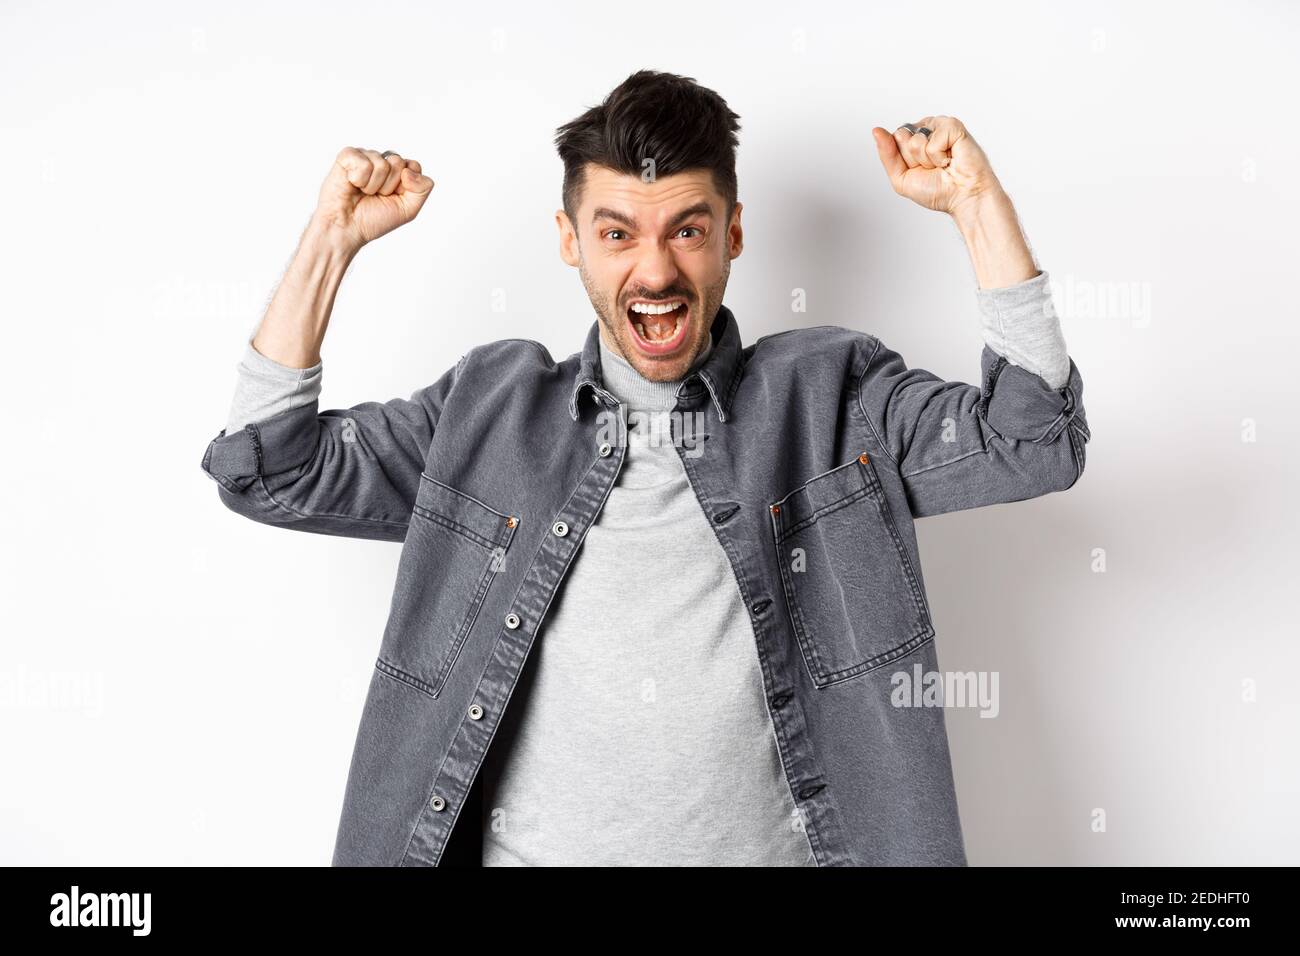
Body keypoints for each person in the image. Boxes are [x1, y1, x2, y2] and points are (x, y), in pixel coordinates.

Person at [200, 69, 1089, 866]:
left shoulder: (834, 395)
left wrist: (977, 205)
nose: (655, 269)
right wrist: (330, 240)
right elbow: (266, 469)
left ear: (733, 233)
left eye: (688, 230)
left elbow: (1032, 444)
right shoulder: (486, 410)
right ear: (570, 240)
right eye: (617, 232)